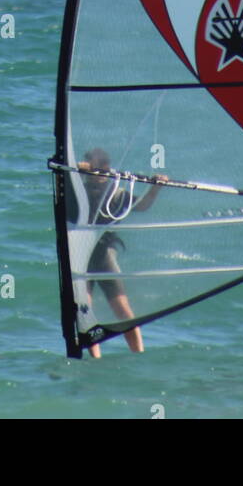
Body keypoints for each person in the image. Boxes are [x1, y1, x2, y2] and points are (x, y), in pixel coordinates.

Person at [78, 148, 167, 358]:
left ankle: (139, 354)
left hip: (104, 256)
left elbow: (142, 205)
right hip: (80, 255)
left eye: (99, 168)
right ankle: (95, 358)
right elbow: (72, 174)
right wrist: (82, 168)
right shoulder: (77, 190)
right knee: (84, 312)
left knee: (123, 310)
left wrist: (155, 189)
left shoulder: (115, 193)